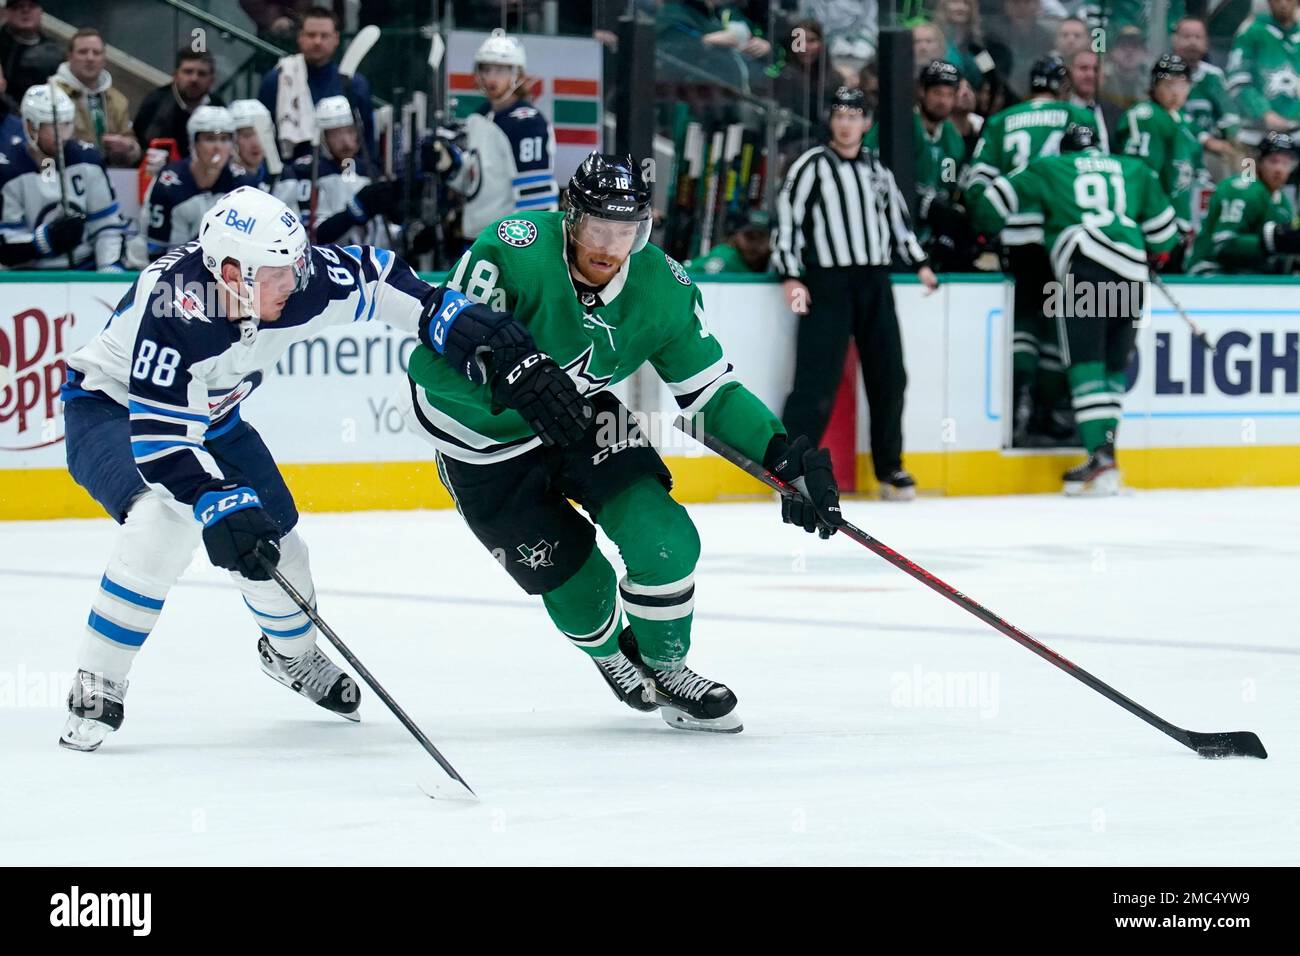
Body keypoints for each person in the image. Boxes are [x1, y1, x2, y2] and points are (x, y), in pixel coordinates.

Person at [56, 185, 507, 751]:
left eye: (294, 264)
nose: (293, 282)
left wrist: (446, 316)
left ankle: (290, 657)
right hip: (113, 410)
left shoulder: (298, 279)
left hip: (215, 421)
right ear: (229, 271)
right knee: (161, 524)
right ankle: (98, 680)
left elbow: (377, 277)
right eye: (276, 273)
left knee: (281, 546)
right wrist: (213, 499)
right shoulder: (180, 306)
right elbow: (161, 442)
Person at [404, 153, 844, 733]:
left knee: (664, 538)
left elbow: (712, 392)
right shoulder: (510, 250)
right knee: (580, 586)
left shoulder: (662, 288)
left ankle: (667, 668)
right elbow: (427, 364)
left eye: (627, 231)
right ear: (570, 217)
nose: (609, 247)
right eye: (597, 228)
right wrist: (508, 375)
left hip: (579, 415)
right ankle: (612, 653)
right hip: (478, 442)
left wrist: (780, 454)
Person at [970, 123, 1180, 495]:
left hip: (1086, 266)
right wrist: (1157, 254)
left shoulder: (1052, 167)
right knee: (1114, 369)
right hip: (1133, 272)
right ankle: (1108, 458)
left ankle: (1099, 456)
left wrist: (984, 234)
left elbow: (994, 198)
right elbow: (1165, 234)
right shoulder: (1132, 168)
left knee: (1086, 365)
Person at [774, 87, 939, 501]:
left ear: (867, 123)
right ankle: (791, 470)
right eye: (840, 115)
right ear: (832, 121)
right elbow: (788, 221)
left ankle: (890, 467)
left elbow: (898, 222)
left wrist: (918, 262)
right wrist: (791, 276)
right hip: (827, 282)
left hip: (874, 282)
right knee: (815, 378)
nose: (846, 123)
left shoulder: (876, 169)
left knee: (890, 374)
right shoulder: (811, 166)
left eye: (854, 116)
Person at [963, 55, 1099, 446]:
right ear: (1062, 86)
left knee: (1024, 317)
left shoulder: (1002, 120)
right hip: (1065, 238)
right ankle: (1046, 408)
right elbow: (1097, 170)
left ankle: (1018, 398)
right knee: (1060, 319)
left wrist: (984, 225)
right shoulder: (1080, 117)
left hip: (1018, 237)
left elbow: (977, 182)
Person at [443, 30, 558, 243]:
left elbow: (535, 196)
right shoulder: (479, 116)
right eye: (486, 69)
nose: (491, 77)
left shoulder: (528, 123)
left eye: (500, 70)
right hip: (476, 237)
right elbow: (474, 178)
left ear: (518, 74)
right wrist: (449, 164)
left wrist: (531, 243)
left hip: (509, 241)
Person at [0, 84, 127, 271]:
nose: (63, 135)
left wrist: (109, 270)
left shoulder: (88, 160)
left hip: (85, 268)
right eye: (53, 126)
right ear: (30, 126)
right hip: (31, 276)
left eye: (67, 124)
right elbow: (6, 244)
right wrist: (45, 241)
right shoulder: (8, 171)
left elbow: (107, 226)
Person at [866, 59, 972, 271]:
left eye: (949, 95)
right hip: (887, 228)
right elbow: (868, 169)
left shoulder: (953, 141)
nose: (943, 101)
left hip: (926, 235)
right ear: (922, 91)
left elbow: (947, 183)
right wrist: (922, 201)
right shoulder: (899, 125)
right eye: (937, 93)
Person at [274, 94, 396, 246]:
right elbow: (307, 235)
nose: (345, 140)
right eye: (336, 133)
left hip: (366, 262)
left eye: (350, 131)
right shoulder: (304, 171)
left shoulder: (368, 170)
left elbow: (382, 232)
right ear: (322, 135)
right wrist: (353, 212)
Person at [1116, 55, 1206, 256]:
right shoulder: (1146, 116)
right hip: (1153, 225)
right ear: (1154, 85)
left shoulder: (1183, 120)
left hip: (1178, 222)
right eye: (1168, 84)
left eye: (1182, 85)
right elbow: (1141, 175)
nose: (1175, 92)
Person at [258, 6, 375, 158]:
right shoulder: (278, 80)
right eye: (311, 35)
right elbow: (263, 134)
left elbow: (367, 138)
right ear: (300, 37)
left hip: (345, 171)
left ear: (336, 39)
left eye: (324, 35)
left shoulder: (354, 84)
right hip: (291, 173)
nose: (317, 41)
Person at [141, 106, 247, 258]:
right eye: (210, 139)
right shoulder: (169, 184)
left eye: (224, 139)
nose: (218, 147)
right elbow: (158, 252)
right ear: (193, 143)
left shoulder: (242, 183)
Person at [1187, 131, 1300, 275]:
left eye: (1286, 163)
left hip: (1253, 278)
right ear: (1259, 162)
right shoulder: (1240, 190)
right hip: (1211, 273)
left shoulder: (1283, 203)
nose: (1279, 169)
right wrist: (1273, 241)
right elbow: (1223, 247)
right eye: (1273, 161)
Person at [52, 27, 140, 168]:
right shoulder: (51, 94)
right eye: (83, 52)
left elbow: (130, 141)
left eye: (96, 53)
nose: (90, 58)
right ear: (69, 56)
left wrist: (128, 147)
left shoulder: (118, 99)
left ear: (104, 58)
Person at [132, 49, 224, 160]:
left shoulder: (218, 107)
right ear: (175, 75)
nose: (194, 79)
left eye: (202, 74)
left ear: (212, 80)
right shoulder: (156, 103)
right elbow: (141, 144)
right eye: (188, 72)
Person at [1172, 16, 1241, 161]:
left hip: (1214, 149)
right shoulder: (1165, 74)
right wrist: (1206, 141)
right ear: (1175, 40)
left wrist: (1232, 136)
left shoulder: (1214, 75)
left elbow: (1228, 112)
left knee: (1246, 163)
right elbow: (1174, 116)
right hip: (1177, 146)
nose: (1192, 42)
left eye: (1198, 37)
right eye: (1186, 36)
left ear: (1206, 43)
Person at [1227, 0, 1300, 134]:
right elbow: (1237, 81)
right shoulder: (1251, 31)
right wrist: (1263, 112)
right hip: (1258, 131)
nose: (1283, 4)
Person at [0, 0, 62, 104]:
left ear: (41, 11)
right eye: (18, 6)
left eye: (31, 6)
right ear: (7, 12)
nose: (25, 11)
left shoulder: (56, 50)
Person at [685, 209, 771, 274]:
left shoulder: (773, 263)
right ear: (735, 235)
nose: (754, 244)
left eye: (761, 237)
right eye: (750, 237)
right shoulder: (725, 258)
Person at [229, 98, 276, 187]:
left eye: (263, 133)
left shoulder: (283, 177)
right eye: (247, 135)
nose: (256, 143)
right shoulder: (220, 182)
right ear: (231, 139)